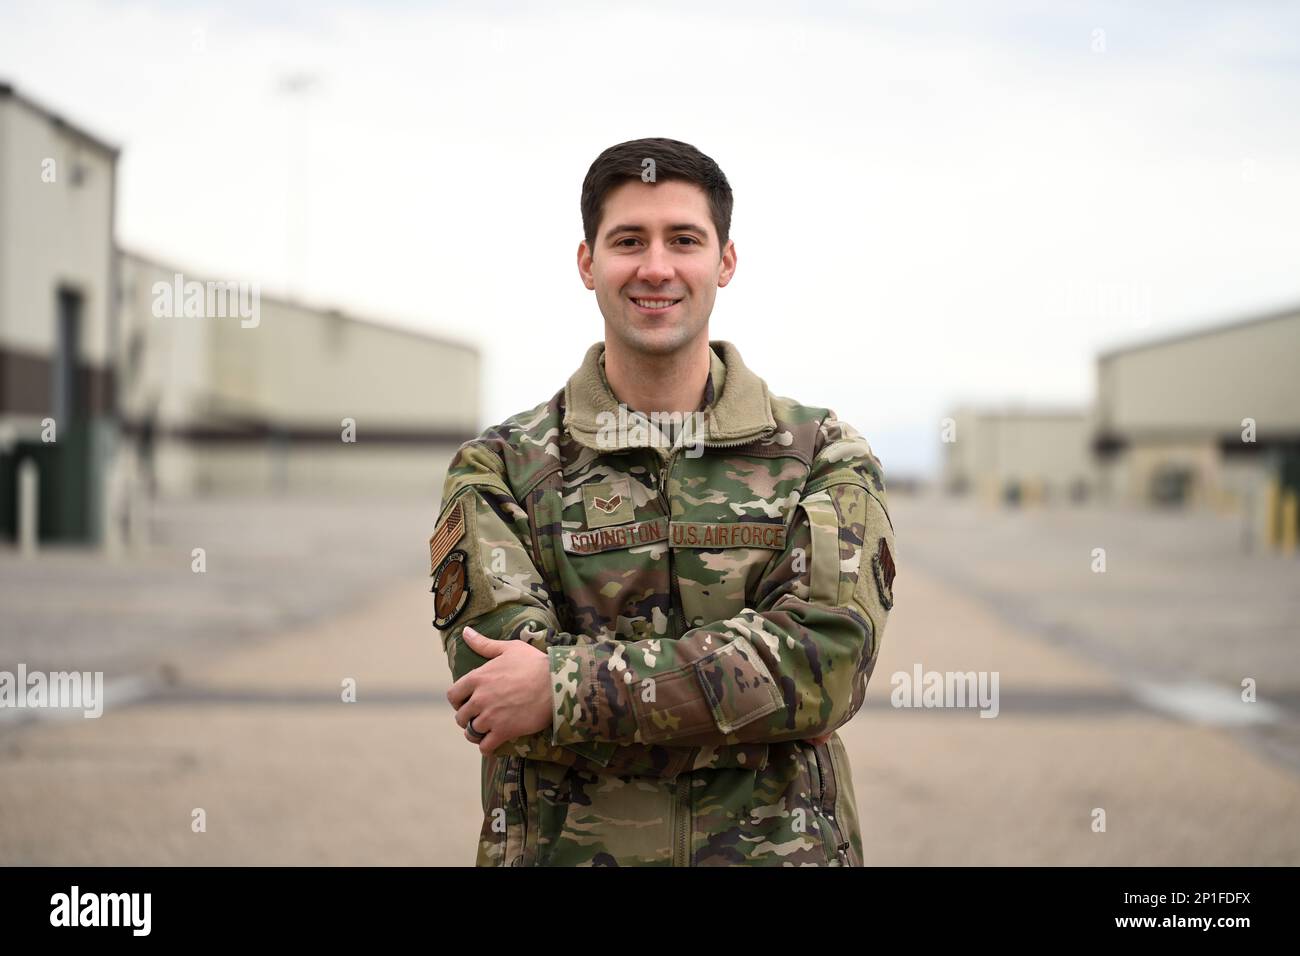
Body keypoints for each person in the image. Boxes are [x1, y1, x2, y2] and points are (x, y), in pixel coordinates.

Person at [430, 137, 896, 866]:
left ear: (725, 261)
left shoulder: (822, 453)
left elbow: (822, 668)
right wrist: (743, 696)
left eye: (684, 239)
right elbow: (498, 697)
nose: (656, 267)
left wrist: (562, 688)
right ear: (588, 263)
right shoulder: (501, 468)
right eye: (628, 241)